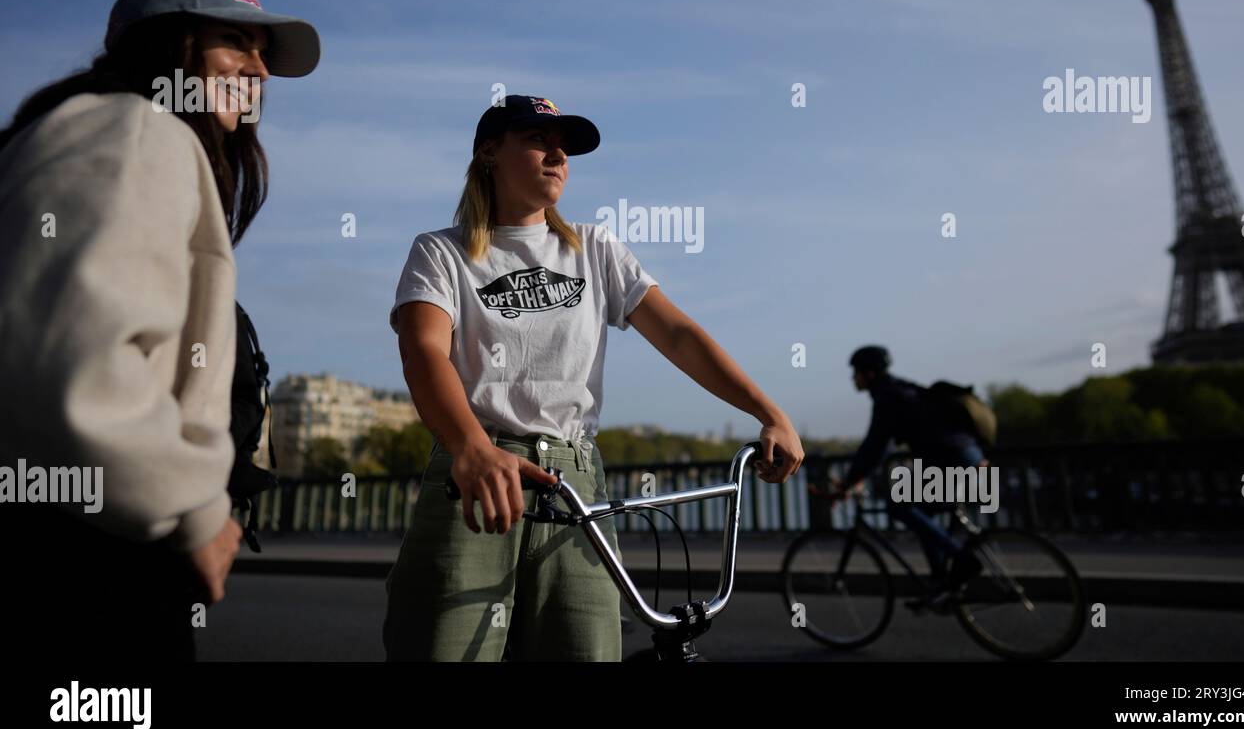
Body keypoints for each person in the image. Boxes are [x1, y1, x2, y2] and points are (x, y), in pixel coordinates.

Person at [383, 94, 805, 661]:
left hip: (574, 479)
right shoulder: (443, 253)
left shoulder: (595, 248)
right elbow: (424, 349)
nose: (557, 155)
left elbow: (678, 335)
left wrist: (768, 412)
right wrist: (471, 448)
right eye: (538, 140)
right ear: (489, 152)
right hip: (479, 475)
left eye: (565, 146)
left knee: (587, 648)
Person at [0, 0, 320, 660]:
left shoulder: (77, 131)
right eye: (235, 42)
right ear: (168, 49)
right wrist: (198, 510)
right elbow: (73, 369)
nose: (260, 71)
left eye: (263, 52)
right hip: (91, 564)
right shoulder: (137, 131)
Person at [824, 345, 984, 607]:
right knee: (922, 510)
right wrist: (859, 476)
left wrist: (849, 481)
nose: (853, 378)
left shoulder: (887, 396)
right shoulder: (903, 389)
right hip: (968, 454)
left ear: (869, 374)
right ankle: (941, 582)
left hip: (950, 459)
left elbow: (874, 446)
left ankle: (963, 561)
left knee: (898, 504)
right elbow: (882, 449)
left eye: (856, 373)